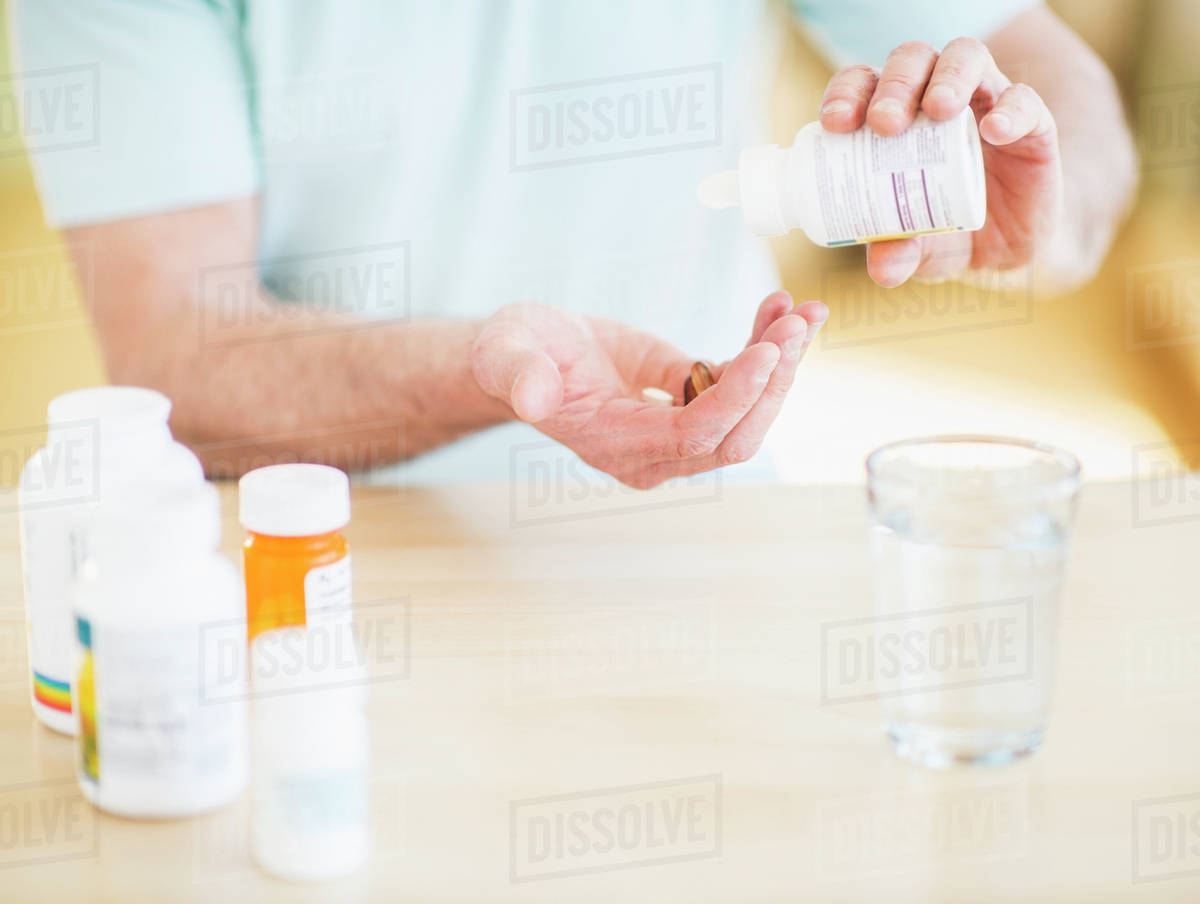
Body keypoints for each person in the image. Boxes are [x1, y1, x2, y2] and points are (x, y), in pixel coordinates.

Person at [8, 1, 1136, 487]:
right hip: (330, 564)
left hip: (714, 534)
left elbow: (1062, 94)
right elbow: (177, 359)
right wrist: (492, 373)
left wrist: (1043, 195)